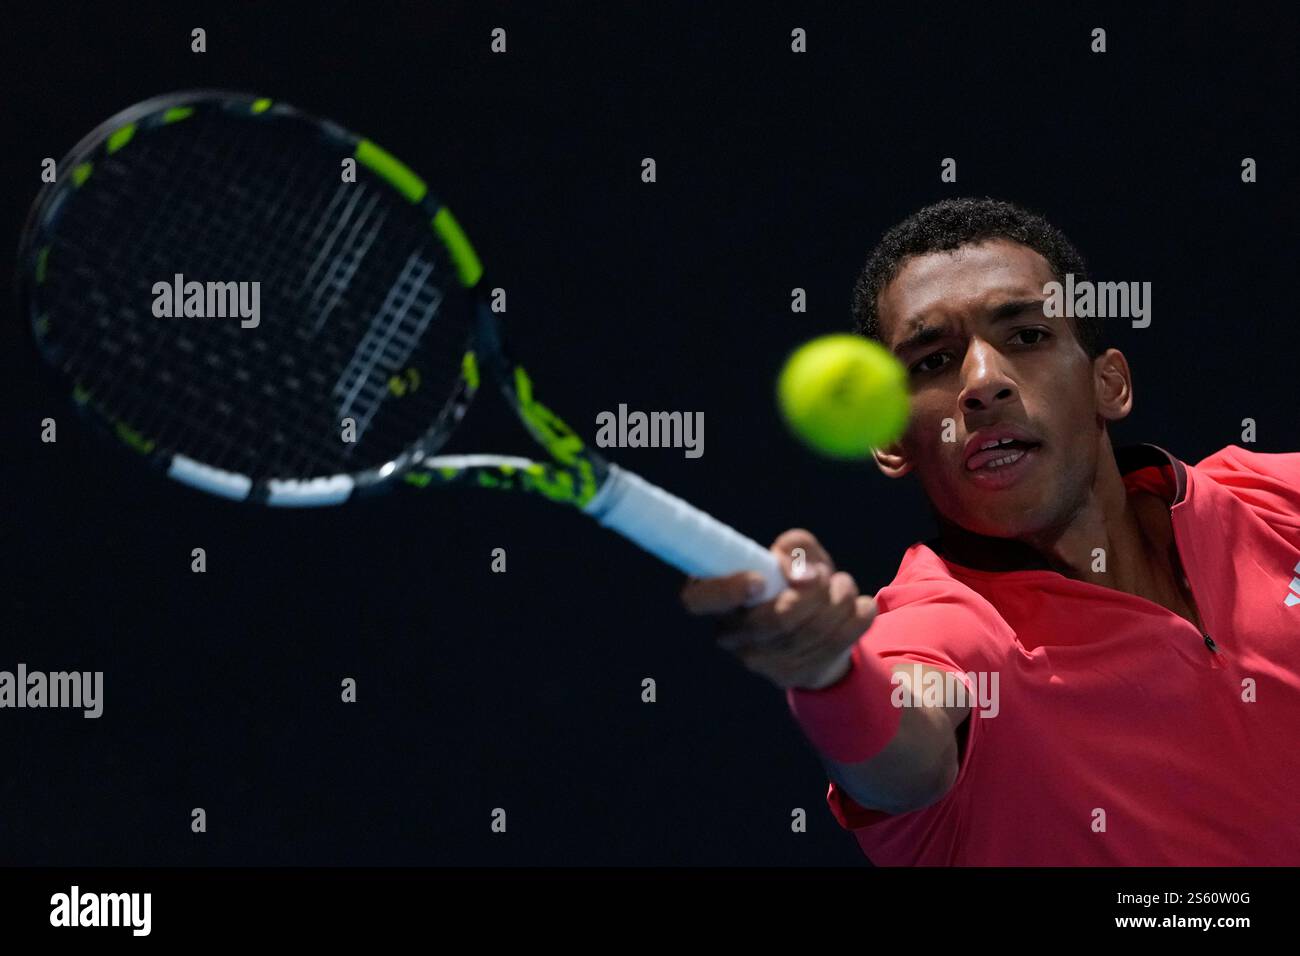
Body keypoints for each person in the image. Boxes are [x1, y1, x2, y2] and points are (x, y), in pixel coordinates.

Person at [682, 198, 1300, 865]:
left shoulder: (1273, 499)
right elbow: (902, 756)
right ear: (893, 443)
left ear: (1108, 384)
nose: (982, 383)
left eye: (1027, 337)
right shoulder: (945, 626)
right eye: (932, 362)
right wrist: (829, 674)